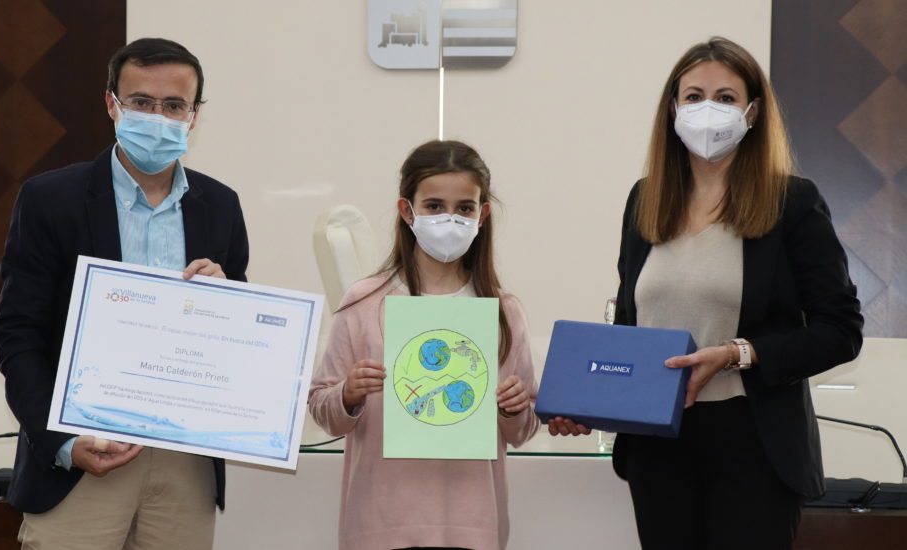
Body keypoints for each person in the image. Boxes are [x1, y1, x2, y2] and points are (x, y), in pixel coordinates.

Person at [549, 37, 862, 549]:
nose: (707, 110)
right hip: (657, 444)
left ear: (753, 111)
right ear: (673, 109)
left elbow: (840, 332)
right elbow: (631, 324)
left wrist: (739, 353)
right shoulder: (644, 200)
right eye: (693, 97)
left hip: (753, 442)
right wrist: (590, 401)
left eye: (725, 96)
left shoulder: (793, 203)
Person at [0, 38, 249, 549]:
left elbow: (235, 340)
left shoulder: (220, 205)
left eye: (174, 105)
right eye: (141, 102)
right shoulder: (50, 200)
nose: (158, 116)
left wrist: (228, 306)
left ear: (194, 115)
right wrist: (63, 442)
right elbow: (19, 335)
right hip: (82, 461)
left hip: (185, 463)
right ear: (112, 104)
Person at [308, 140, 539, 550]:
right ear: (406, 211)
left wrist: (514, 406)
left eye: (464, 208)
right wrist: (347, 394)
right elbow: (323, 409)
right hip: (380, 523)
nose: (449, 218)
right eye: (434, 206)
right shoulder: (364, 302)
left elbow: (522, 429)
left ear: (482, 214)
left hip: (474, 524)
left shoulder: (502, 311)